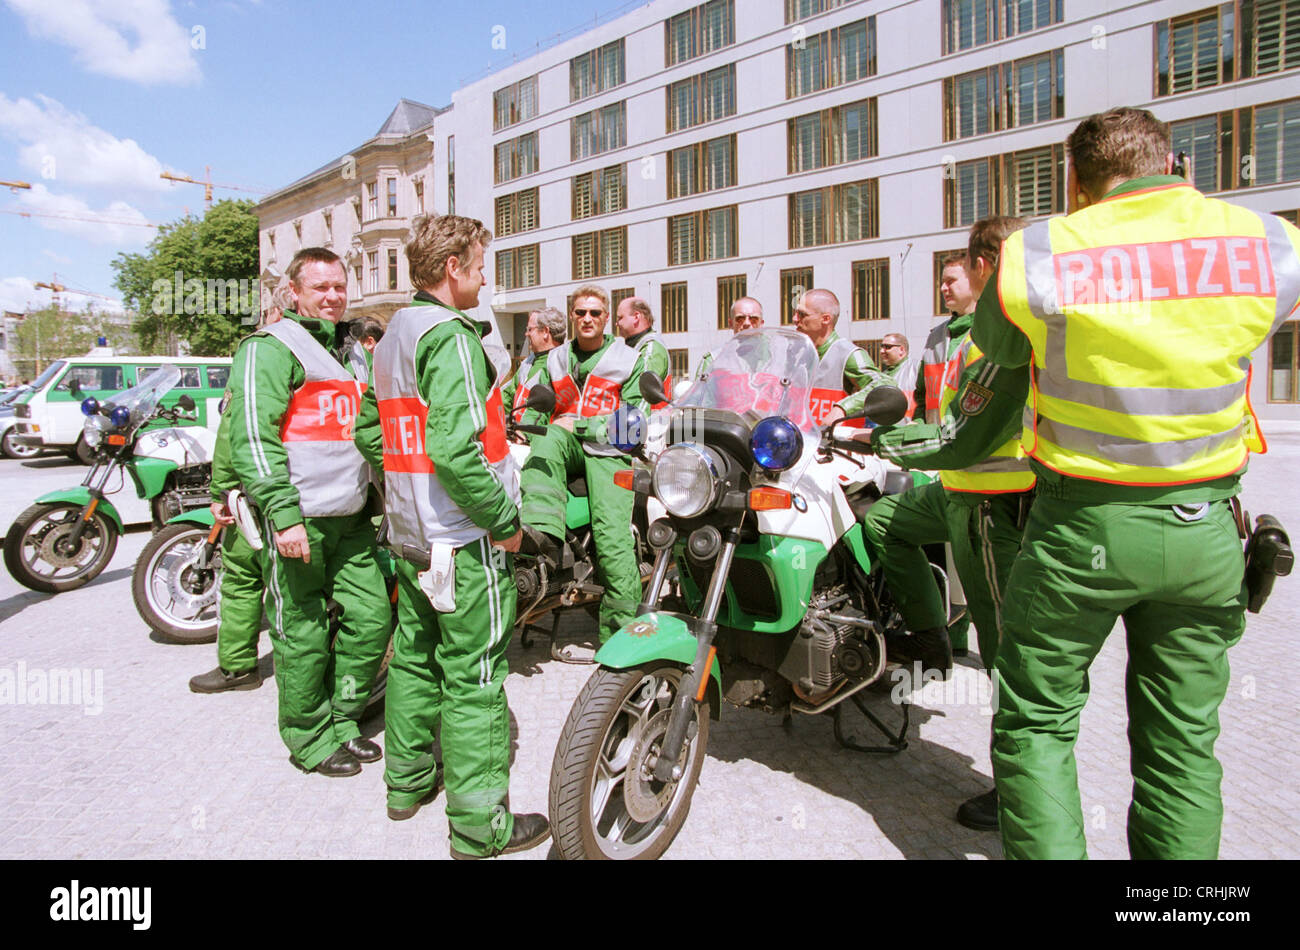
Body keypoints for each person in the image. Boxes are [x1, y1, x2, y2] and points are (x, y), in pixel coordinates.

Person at [971, 107, 1300, 859]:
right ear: (1175, 163)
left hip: (1079, 529)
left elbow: (993, 346)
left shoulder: (1041, 249)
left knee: (1037, 723)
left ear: (1076, 180)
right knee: (1183, 745)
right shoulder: (1271, 240)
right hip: (1207, 529)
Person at [372, 214, 548, 857]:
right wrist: (505, 523)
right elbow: (456, 448)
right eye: (480, 265)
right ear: (454, 268)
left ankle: (406, 782)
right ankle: (481, 828)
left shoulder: (394, 334)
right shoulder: (450, 336)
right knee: (475, 675)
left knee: (414, 660)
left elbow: (373, 431)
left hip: (409, 535)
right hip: (462, 542)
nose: (484, 277)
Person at [863, 215, 1032, 831]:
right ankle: (930, 639)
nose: (944, 287)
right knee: (884, 522)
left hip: (996, 497)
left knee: (1010, 651)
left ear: (985, 268)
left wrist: (888, 444)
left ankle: (1019, 791)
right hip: (961, 487)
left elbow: (959, 436)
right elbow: (909, 395)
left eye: (957, 273)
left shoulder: (1004, 333)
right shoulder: (955, 336)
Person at [227, 247, 390, 778]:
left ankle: (343, 718)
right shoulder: (269, 348)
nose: (333, 296)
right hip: (300, 522)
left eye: (339, 286)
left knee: (370, 623)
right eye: (320, 287)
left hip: (352, 520)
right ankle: (310, 738)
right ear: (292, 292)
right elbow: (253, 437)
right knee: (301, 632)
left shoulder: (352, 351)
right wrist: (283, 513)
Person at [520, 285, 650, 644]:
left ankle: (621, 639)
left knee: (612, 540)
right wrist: (525, 429)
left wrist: (580, 425)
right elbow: (537, 404)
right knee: (544, 438)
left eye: (595, 312)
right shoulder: (557, 358)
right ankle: (540, 532)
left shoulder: (627, 359)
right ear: (573, 316)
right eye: (581, 313)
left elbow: (635, 420)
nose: (587, 318)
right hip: (566, 446)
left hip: (609, 450)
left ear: (606, 318)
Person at [188, 281, 292, 694]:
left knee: (242, 576)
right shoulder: (327, 358)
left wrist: (220, 492)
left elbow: (234, 435)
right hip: (307, 495)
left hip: (257, 494)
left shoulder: (260, 356)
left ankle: (237, 666)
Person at [798, 288, 893, 427]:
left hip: (836, 445)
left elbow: (884, 384)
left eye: (802, 314)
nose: (795, 319)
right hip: (801, 442)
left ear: (825, 319)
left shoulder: (849, 354)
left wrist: (842, 408)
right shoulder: (800, 355)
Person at [916, 258, 976, 425]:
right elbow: (922, 396)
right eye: (942, 283)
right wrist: (918, 429)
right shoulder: (935, 337)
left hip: (971, 443)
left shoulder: (990, 331)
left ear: (974, 280)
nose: (943, 289)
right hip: (937, 442)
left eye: (951, 281)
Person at [502, 306, 565, 417]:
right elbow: (507, 396)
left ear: (545, 331)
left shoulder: (562, 364)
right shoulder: (528, 362)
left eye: (530, 329)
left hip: (540, 432)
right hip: (518, 431)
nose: (526, 334)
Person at [615, 295, 672, 405]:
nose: (617, 323)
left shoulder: (651, 348)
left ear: (636, 317)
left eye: (620, 318)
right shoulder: (639, 347)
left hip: (650, 420)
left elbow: (638, 396)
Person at [696, 296, 763, 380]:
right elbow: (700, 392)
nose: (746, 323)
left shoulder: (775, 358)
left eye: (753, 319)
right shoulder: (714, 359)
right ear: (731, 323)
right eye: (740, 319)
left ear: (761, 323)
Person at [878, 332, 919, 420]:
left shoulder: (917, 369)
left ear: (901, 349)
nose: (882, 351)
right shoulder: (882, 376)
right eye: (881, 346)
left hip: (912, 428)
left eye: (887, 347)